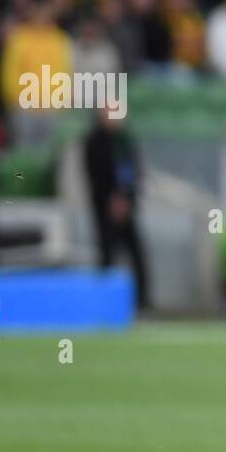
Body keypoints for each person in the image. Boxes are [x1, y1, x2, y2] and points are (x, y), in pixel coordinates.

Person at [84, 102, 149, 309]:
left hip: (127, 207)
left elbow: (134, 172)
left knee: (137, 254)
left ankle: (142, 301)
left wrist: (127, 199)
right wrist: (111, 199)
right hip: (104, 208)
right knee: (107, 255)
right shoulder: (93, 141)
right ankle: (107, 304)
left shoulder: (125, 140)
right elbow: (94, 176)